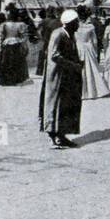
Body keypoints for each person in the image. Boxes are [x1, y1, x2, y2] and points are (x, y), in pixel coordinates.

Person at [39, 9, 84, 148]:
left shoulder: (70, 35)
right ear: (70, 23)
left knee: (67, 104)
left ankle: (62, 134)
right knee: (56, 104)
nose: (78, 24)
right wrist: (73, 65)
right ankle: (55, 134)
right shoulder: (58, 34)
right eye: (76, 22)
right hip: (58, 76)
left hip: (67, 75)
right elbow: (55, 55)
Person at [74, 6, 109, 100]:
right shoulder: (90, 27)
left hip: (78, 46)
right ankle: (92, 90)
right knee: (90, 70)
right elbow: (94, 42)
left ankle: (80, 92)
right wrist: (94, 52)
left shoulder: (75, 26)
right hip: (88, 47)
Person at [0, 6, 31, 86]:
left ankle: (7, 81)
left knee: (7, 63)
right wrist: (23, 46)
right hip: (17, 45)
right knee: (17, 63)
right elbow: (24, 37)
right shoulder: (20, 25)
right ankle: (17, 80)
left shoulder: (4, 25)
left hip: (7, 45)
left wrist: (0, 47)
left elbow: (0, 37)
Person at [36, 7, 60, 77]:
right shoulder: (57, 21)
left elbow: (38, 30)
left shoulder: (44, 21)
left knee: (42, 54)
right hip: (54, 39)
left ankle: (40, 71)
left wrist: (41, 37)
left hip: (45, 39)